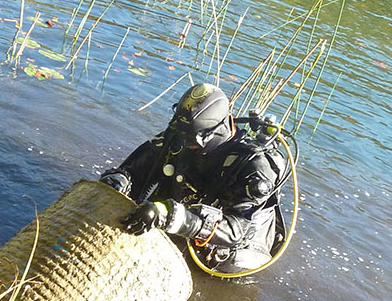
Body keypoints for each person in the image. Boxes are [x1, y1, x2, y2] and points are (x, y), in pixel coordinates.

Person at [99, 82, 291, 275]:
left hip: (229, 251)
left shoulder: (254, 168)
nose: (185, 143)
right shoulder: (181, 136)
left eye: (191, 139)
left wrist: (169, 216)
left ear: (218, 130)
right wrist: (118, 182)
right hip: (180, 216)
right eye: (182, 135)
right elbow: (135, 171)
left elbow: (237, 231)